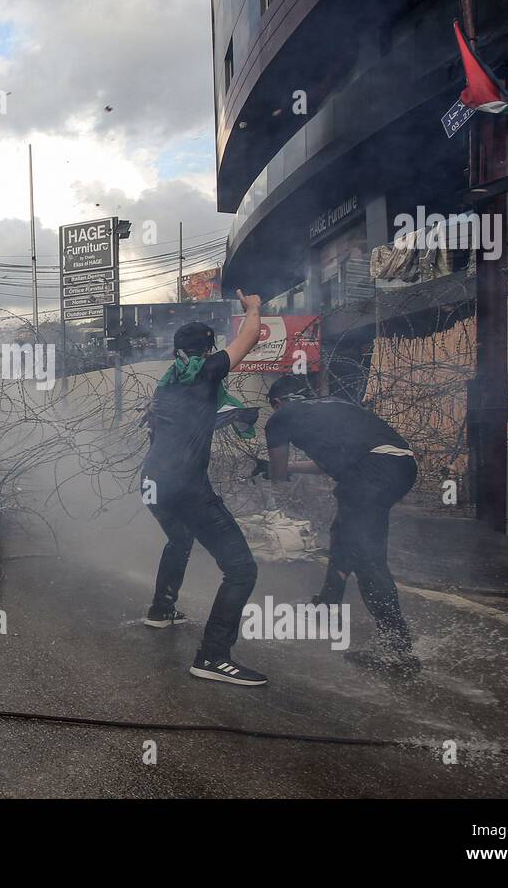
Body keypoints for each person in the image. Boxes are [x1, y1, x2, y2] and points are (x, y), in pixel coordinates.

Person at [140, 290, 268, 687]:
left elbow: (164, 434)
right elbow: (247, 340)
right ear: (208, 350)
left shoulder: (166, 386)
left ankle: (161, 610)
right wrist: (255, 309)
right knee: (242, 570)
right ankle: (212, 656)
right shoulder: (207, 372)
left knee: (179, 541)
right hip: (185, 489)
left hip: (151, 485)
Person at [262, 374, 420, 673]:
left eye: (274, 407)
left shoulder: (281, 417)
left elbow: (279, 474)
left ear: (278, 402)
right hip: (399, 464)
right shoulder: (331, 407)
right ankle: (329, 602)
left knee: (369, 561)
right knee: (345, 533)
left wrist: (268, 469)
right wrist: (288, 468)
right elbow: (328, 465)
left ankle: (399, 651)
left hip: (373, 470)